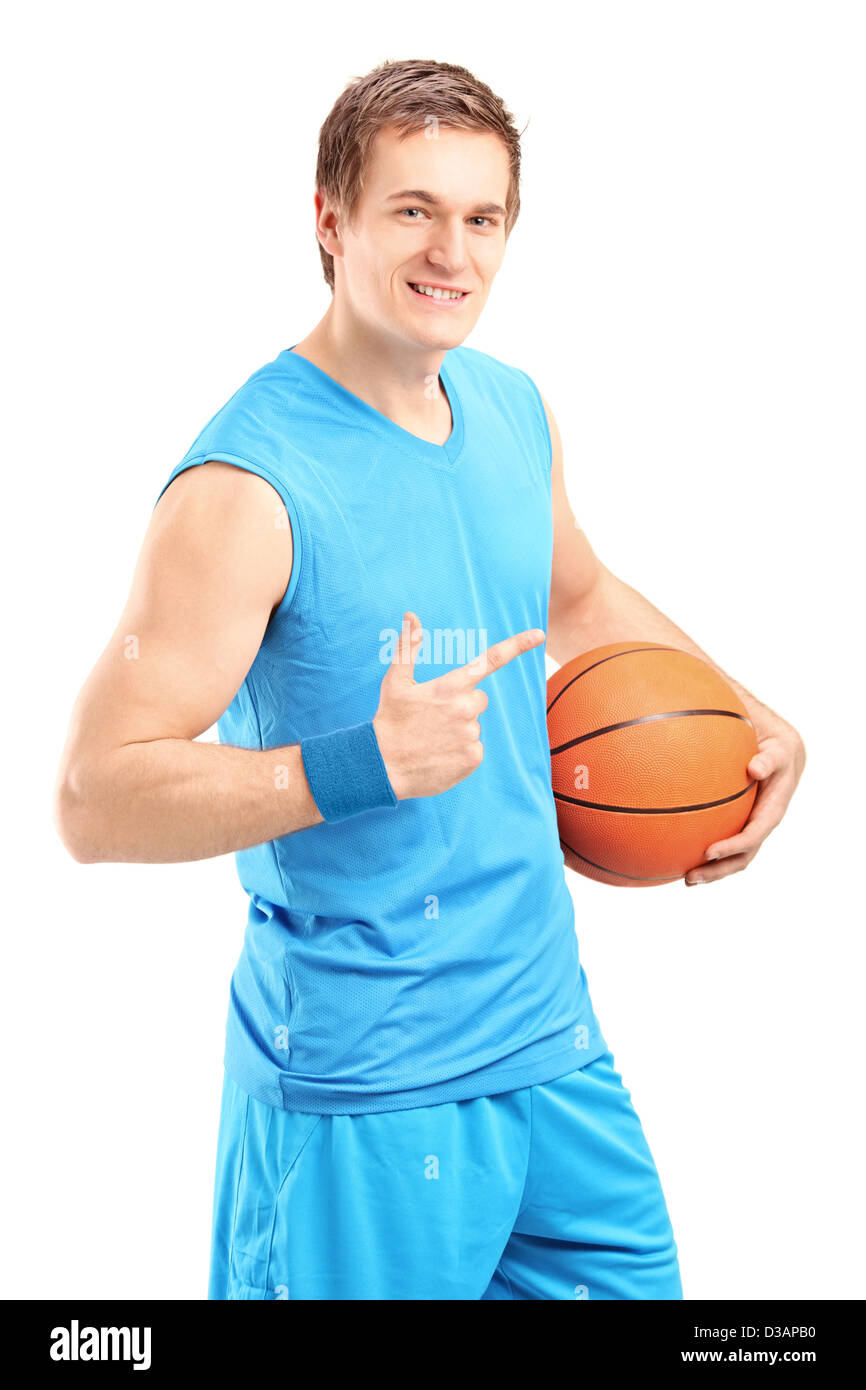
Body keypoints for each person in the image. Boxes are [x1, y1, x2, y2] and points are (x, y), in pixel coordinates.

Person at [53, 58, 806, 1300]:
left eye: (481, 216)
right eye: (411, 209)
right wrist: (367, 762)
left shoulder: (510, 409)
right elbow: (93, 797)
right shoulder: (243, 488)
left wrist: (741, 709)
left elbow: (574, 596)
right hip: (366, 1086)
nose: (449, 250)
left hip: (548, 1043)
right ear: (329, 219)